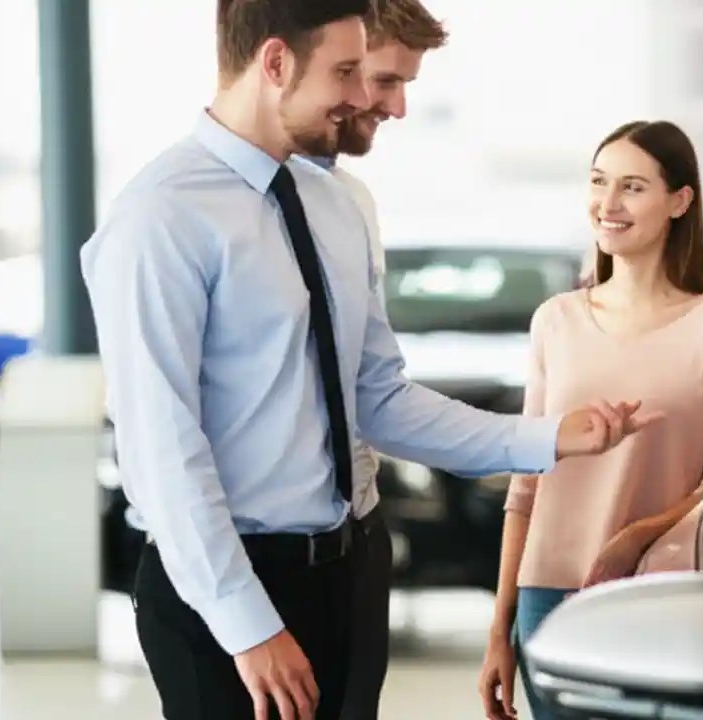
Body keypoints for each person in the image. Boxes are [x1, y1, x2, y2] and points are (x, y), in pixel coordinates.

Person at [80, 3, 659, 719]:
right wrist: (248, 624)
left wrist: (545, 438)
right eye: (347, 72)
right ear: (275, 63)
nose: (363, 97)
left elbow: (379, 398)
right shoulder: (160, 216)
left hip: (349, 571)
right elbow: (161, 449)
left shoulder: (336, 205)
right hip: (231, 589)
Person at [478, 120, 703, 720]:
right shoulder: (556, 320)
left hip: (666, 597)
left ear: (680, 201)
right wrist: (499, 629)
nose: (608, 203)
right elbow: (525, 486)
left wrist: (640, 535)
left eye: (632, 187)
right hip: (549, 598)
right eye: (598, 182)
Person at [298, 2, 447, 717]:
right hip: (258, 557)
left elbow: (374, 389)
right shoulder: (190, 209)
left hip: (356, 538)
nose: (394, 106)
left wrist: (541, 442)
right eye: (384, 81)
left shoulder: (352, 202)